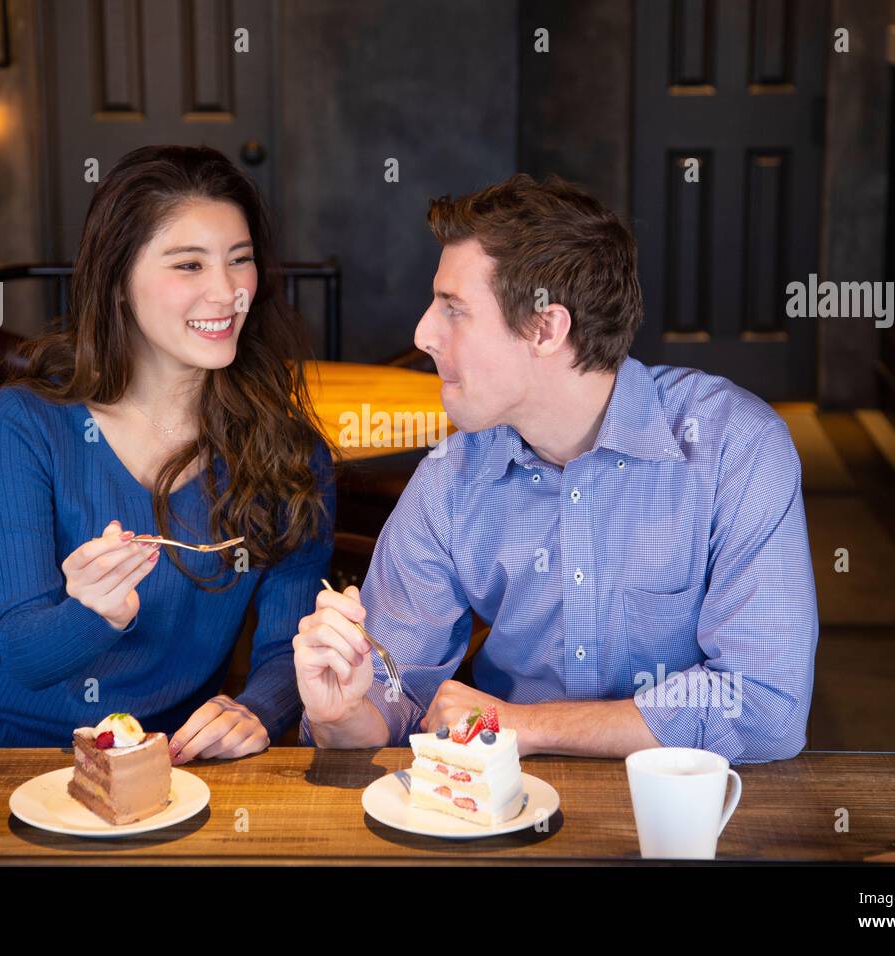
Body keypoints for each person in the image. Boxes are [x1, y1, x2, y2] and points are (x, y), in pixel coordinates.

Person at [292, 173, 817, 765]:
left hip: (693, 827)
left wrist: (522, 725)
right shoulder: (452, 477)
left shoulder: (735, 447)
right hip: (501, 821)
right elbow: (398, 703)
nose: (423, 333)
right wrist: (340, 713)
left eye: (453, 309)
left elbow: (766, 710)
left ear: (545, 328)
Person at [0, 145, 334, 759]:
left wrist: (256, 710)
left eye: (240, 261)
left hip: (170, 761)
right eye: (188, 266)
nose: (227, 292)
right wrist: (94, 613)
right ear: (118, 281)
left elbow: (288, 647)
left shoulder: (287, 451)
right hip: (11, 751)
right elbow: (22, 656)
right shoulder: (23, 427)